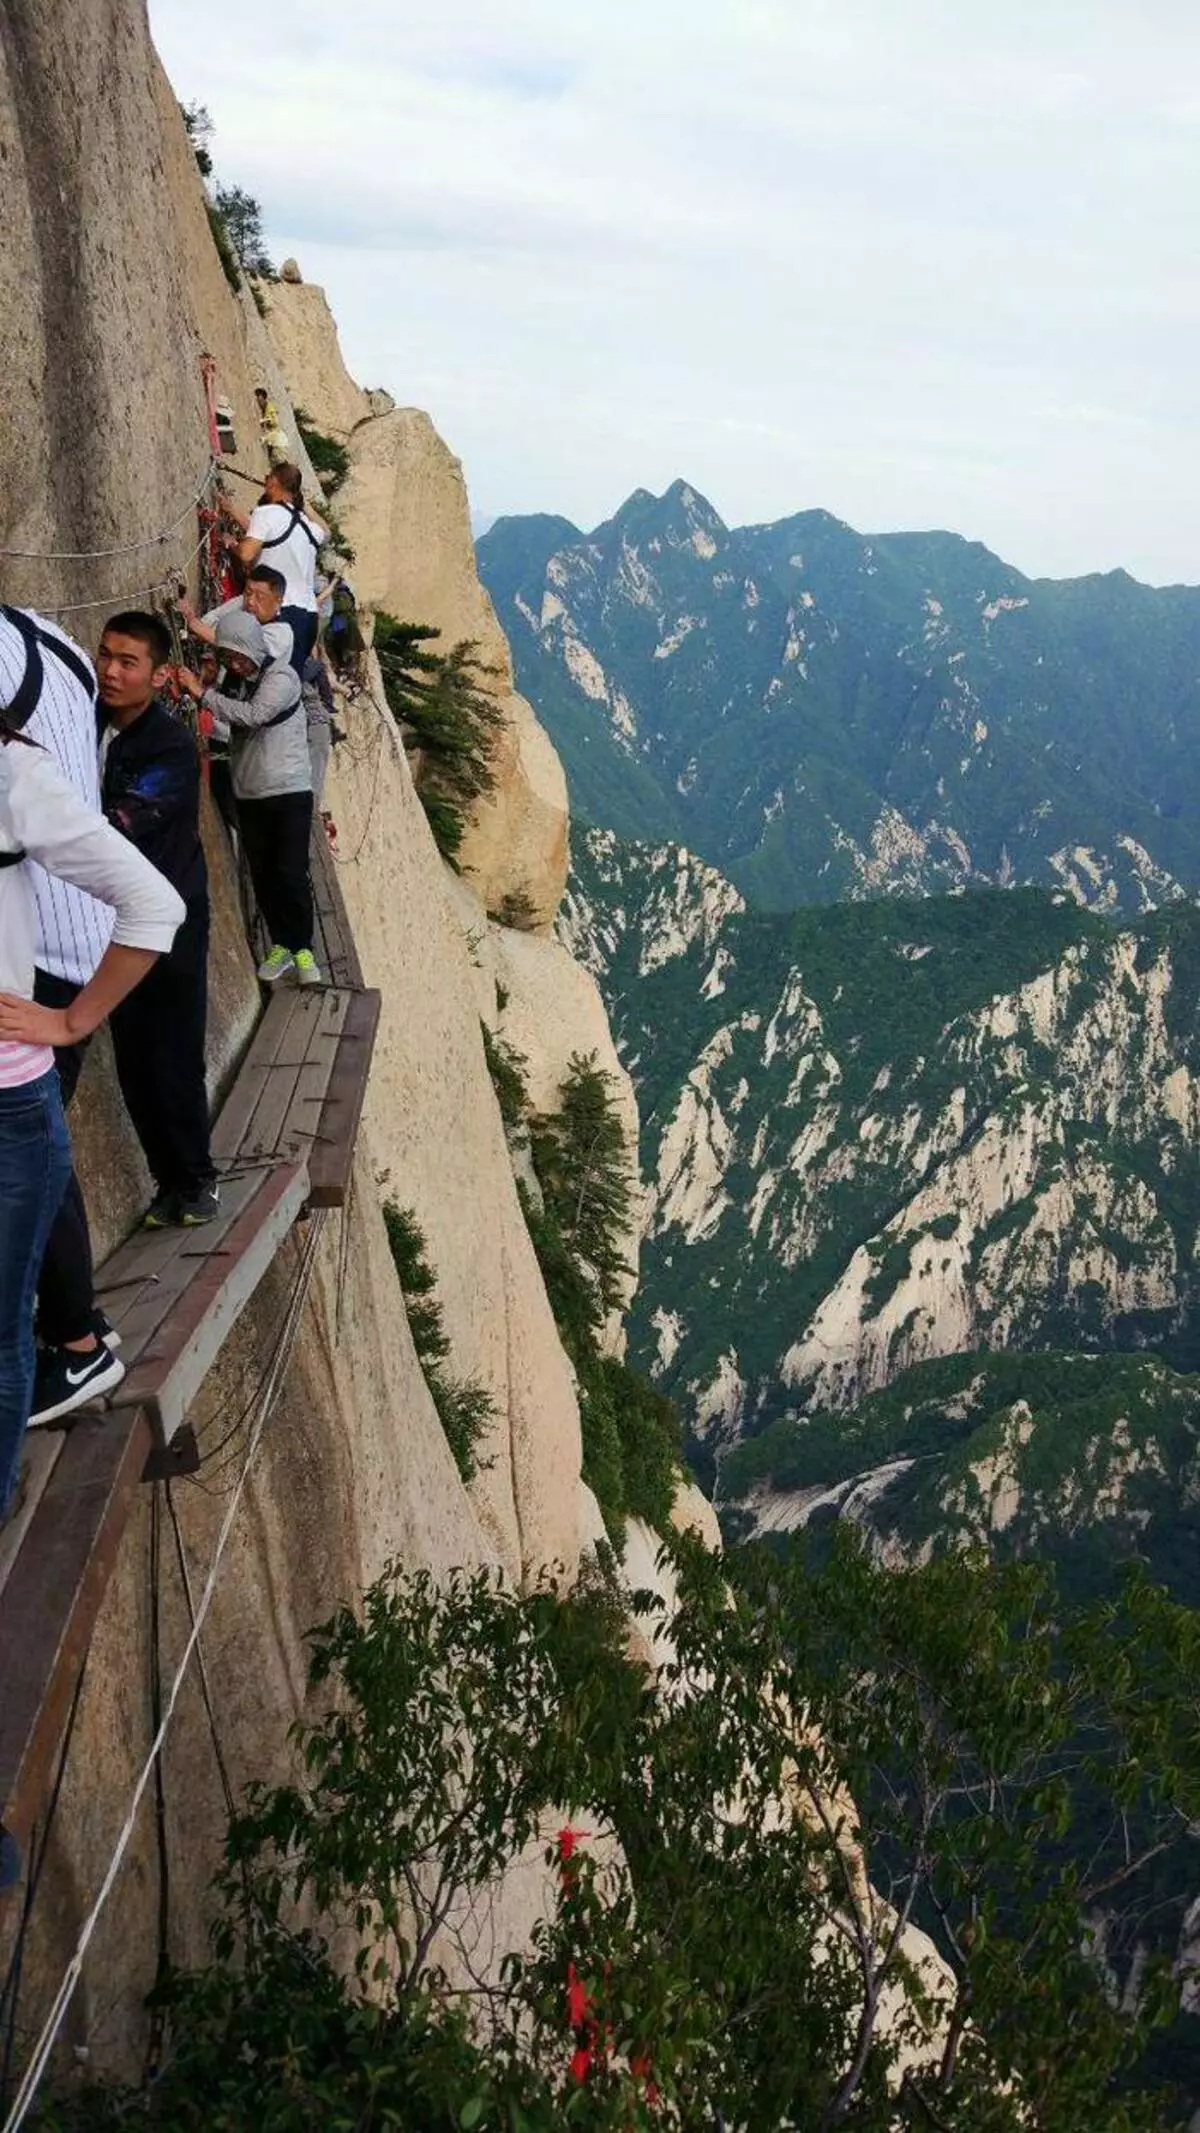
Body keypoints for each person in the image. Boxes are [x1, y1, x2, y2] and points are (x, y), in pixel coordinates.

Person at [0, 650, 185, 1517]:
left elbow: (156, 903)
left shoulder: (14, 772)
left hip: (9, 1097)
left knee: (4, 1324)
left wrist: (70, 1023)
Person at [0, 608, 127, 1424]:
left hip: (41, 951)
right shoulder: (58, 640)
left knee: (29, 1153)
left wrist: (67, 1022)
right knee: (34, 1146)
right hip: (78, 937)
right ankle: (79, 1337)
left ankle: (78, 1345)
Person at [96, 614, 219, 1229]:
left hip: (170, 919)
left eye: (128, 662)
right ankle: (168, 1181)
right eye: (106, 657)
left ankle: (196, 1181)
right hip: (116, 919)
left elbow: (125, 820)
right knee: (133, 1056)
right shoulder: (94, 725)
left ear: (157, 673)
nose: (111, 671)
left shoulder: (167, 744)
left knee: (172, 1052)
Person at [178, 611, 321, 987]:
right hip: (250, 792)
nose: (234, 664)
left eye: (239, 656)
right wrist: (207, 684)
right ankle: (282, 945)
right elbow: (227, 720)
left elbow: (254, 716)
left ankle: (303, 948)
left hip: (288, 790)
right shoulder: (234, 682)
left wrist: (202, 693)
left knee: (290, 872)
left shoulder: (282, 678)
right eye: (228, 657)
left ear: (257, 649)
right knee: (263, 873)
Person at [176, 565, 294, 828]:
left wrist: (194, 624)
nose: (251, 602)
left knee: (241, 814)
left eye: (260, 597)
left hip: (241, 737)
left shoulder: (281, 634)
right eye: (248, 593)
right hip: (217, 725)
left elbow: (240, 651)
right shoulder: (242, 606)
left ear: (279, 601)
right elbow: (212, 620)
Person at [227, 464, 325, 678]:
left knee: (250, 671)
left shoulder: (267, 512)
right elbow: (326, 530)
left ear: (272, 482)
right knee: (284, 683)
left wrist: (233, 545)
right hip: (308, 619)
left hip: (277, 609)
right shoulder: (309, 528)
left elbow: (246, 554)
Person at [302, 649, 334, 803]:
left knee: (312, 785)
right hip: (315, 724)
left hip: (312, 725)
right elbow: (328, 700)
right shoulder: (312, 665)